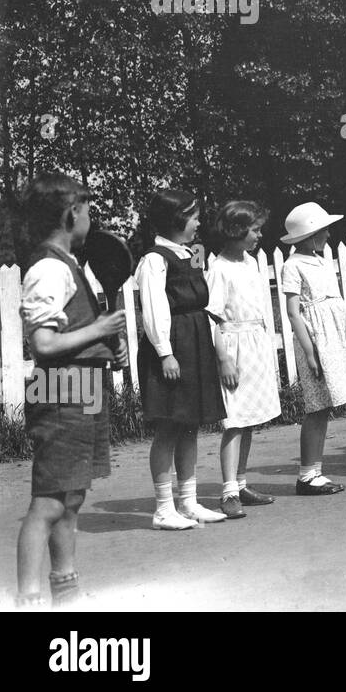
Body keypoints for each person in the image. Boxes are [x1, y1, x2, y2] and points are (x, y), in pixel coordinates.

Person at [15, 174, 128, 607]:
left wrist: (104, 347)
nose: (89, 217)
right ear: (70, 214)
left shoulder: (69, 264)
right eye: (86, 209)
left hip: (82, 387)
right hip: (60, 391)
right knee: (48, 502)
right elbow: (43, 344)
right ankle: (27, 598)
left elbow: (74, 333)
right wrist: (99, 329)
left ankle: (65, 591)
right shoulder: (47, 268)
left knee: (71, 497)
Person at [135, 189, 228, 527]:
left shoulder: (190, 254)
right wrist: (165, 353)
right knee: (168, 427)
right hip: (173, 345)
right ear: (176, 220)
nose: (198, 222)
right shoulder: (155, 259)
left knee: (189, 426)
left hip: (195, 339)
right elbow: (154, 308)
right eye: (193, 216)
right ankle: (163, 507)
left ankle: (188, 502)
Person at [280, 202, 346, 495]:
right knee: (317, 406)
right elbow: (294, 312)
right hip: (316, 338)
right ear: (309, 235)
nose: (328, 235)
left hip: (334, 335)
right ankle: (307, 475)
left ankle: (315, 471)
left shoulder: (320, 260)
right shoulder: (292, 265)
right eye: (323, 230)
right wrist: (309, 351)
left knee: (324, 407)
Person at [206, 201, 282, 519]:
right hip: (233, 346)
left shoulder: (250, 263)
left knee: (249, 418)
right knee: (234, 420)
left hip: (255, 345)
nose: (259, 235)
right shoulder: (219, 269)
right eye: (254, 230)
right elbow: (211, 318)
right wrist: (223, 360)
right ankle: (228, 492)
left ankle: (241, 483)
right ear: (237, 231)